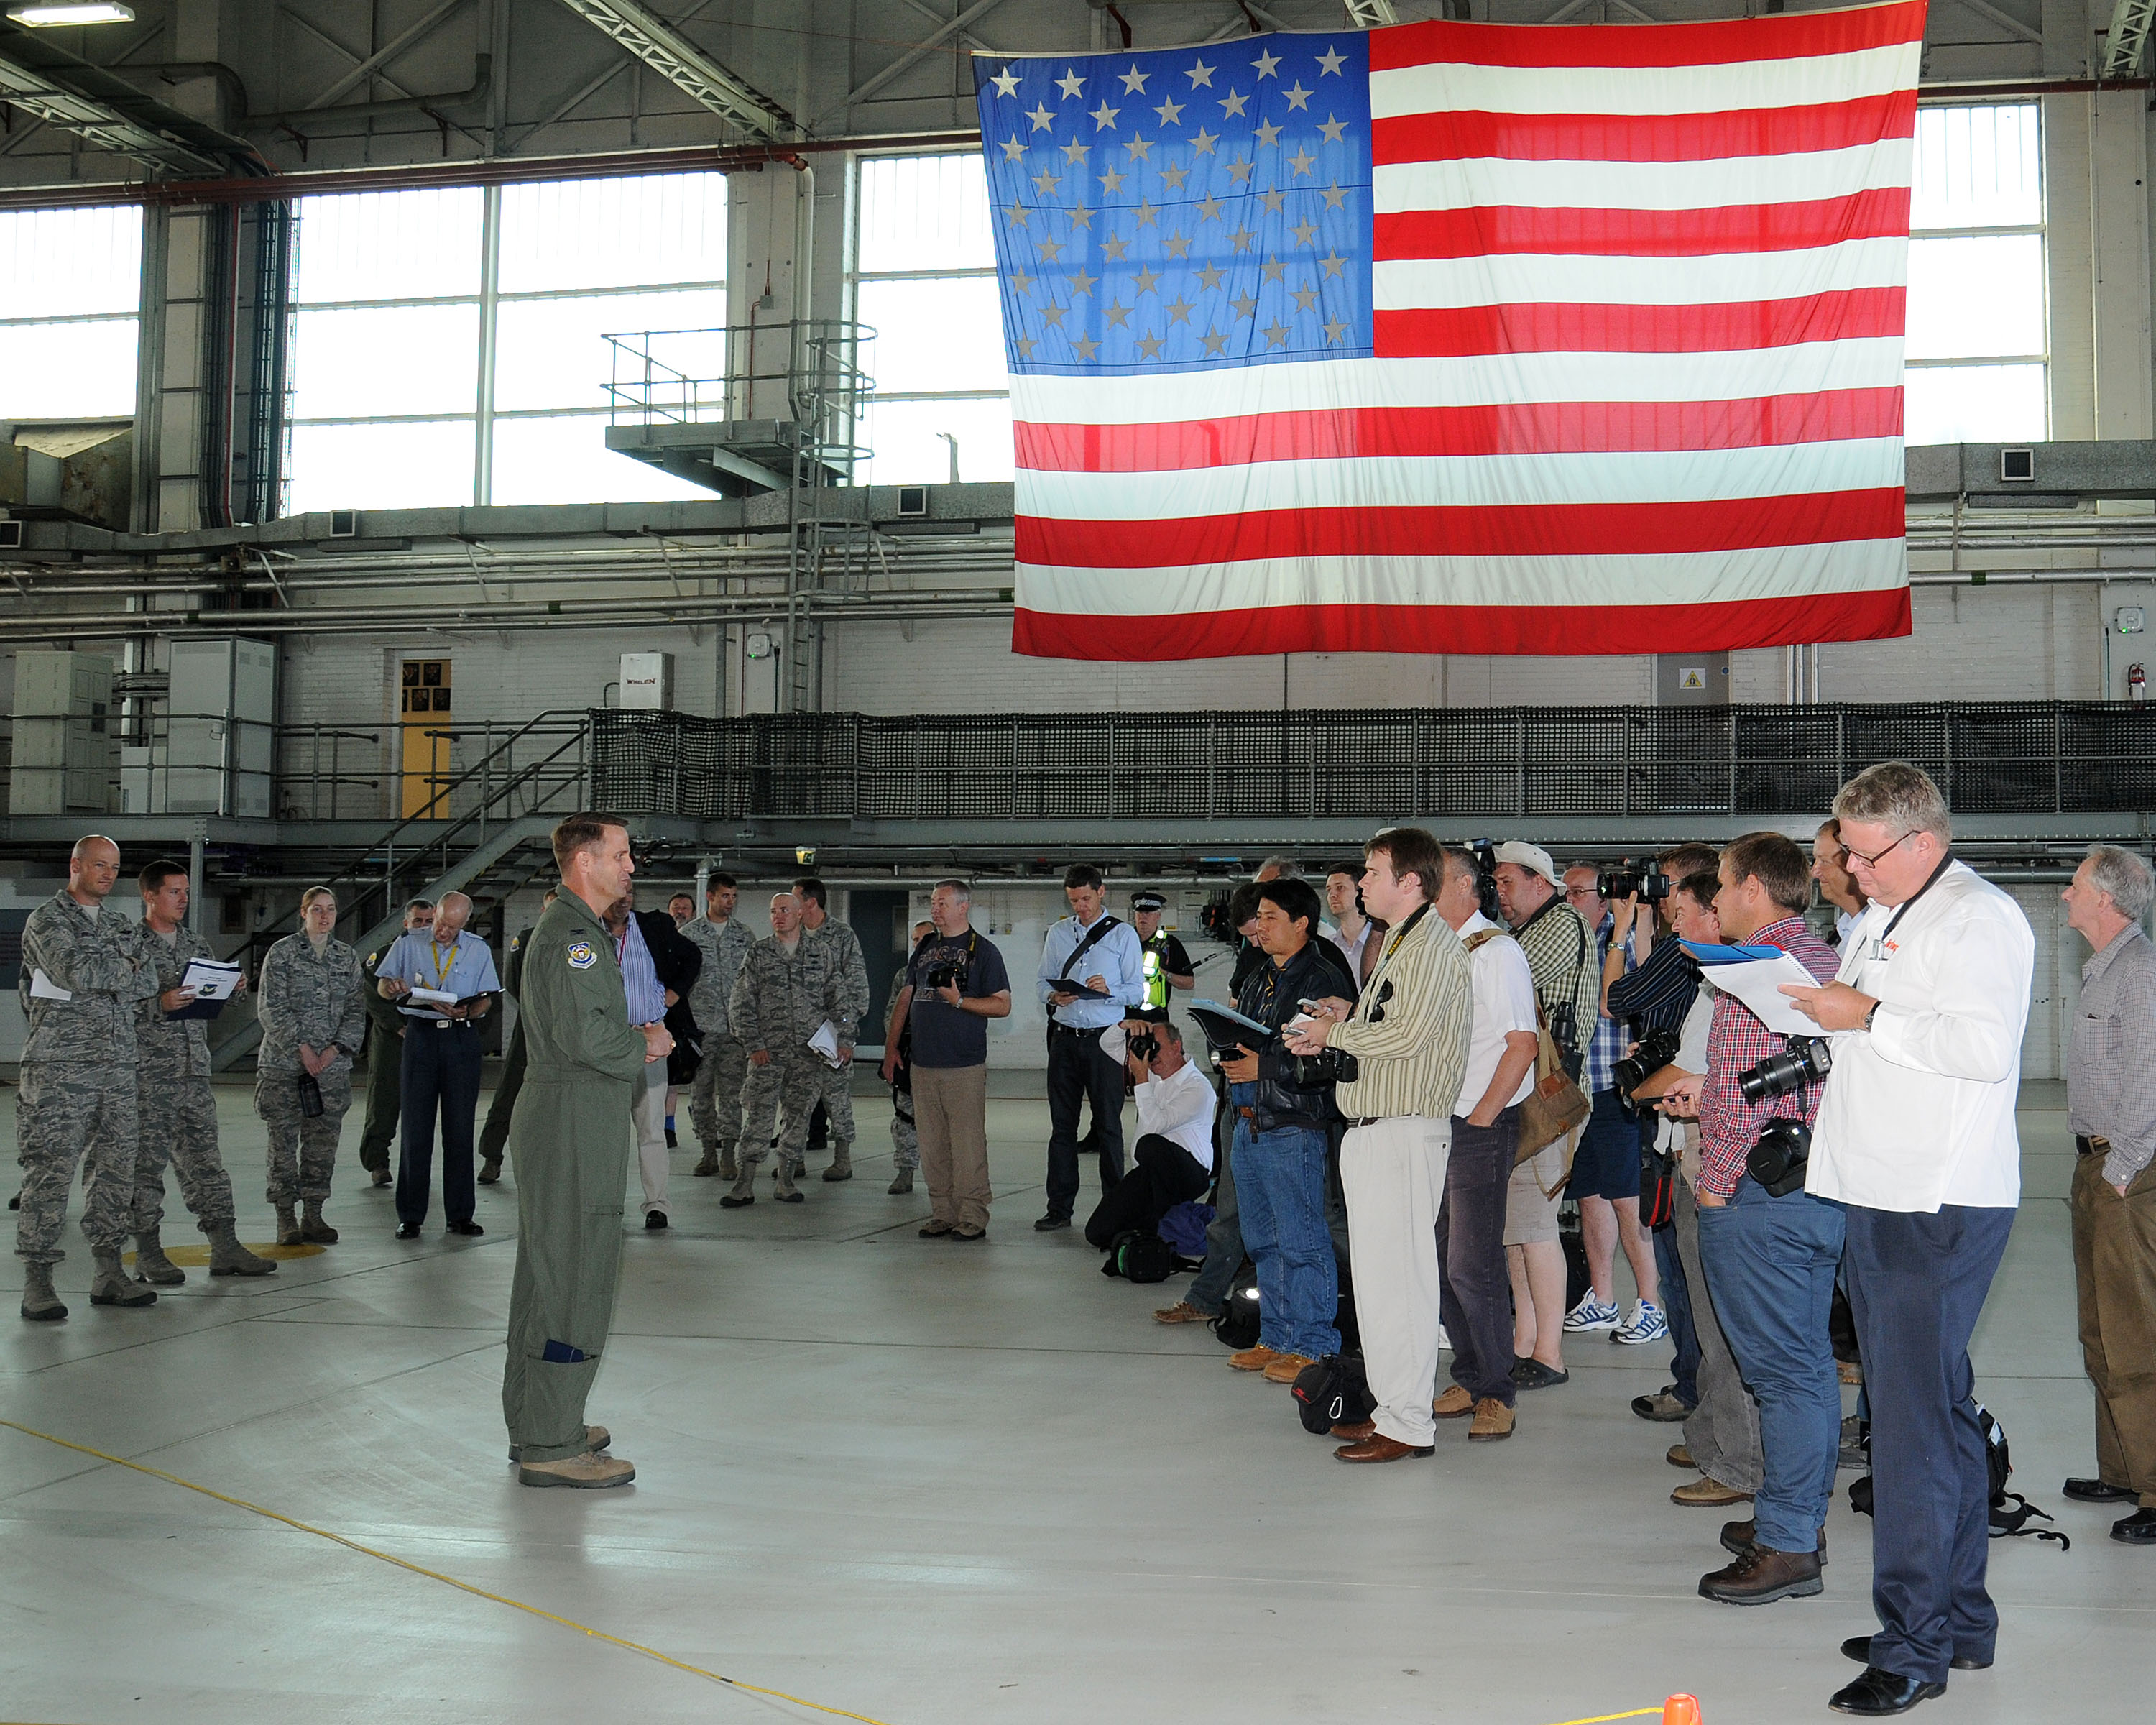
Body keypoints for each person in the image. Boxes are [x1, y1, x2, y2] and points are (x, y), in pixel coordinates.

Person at [1784, 762, 2035, 1716]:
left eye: (1861, 850)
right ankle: (1960, 1620)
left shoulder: (1978, 920)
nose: (1848, 865)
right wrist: (1817, 1014)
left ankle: (1914, 1644)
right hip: (1878, 1189)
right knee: (1939, 1408)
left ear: (1920, 842)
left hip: (1935, 1201)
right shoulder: (1885, 917)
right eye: (1846, 849)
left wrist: (1869, 1013)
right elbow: (1871, 1028)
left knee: (1913, 1431)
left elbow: (1982, 1047)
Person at [1662, 835, 1843, 1604]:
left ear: (1750, 892)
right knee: (1804, 1366)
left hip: (1760, 1198)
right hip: (1822, 1188)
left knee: (1781, 1373)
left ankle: (1789, 1543)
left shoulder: (1750, 973)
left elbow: (1740, 1100)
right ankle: (1796, 1514)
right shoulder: (1832, 961)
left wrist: (1716, 1183)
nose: (1716, 895)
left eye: (1724, 883)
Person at [1287, 828, 1473, 1461]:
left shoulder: (1431, 947)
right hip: (1376, 1132)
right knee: (1378, 1287)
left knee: (1402, 1288)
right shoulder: (1403, 942)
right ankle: (1393, 1409)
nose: (1360, 883)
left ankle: (1409, 1423)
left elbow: (1410, 1036)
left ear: (1410, 882)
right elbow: (1389, 1025)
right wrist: (1345, 1022)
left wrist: (1335, 1032)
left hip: (1401, 1130)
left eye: (1371, 872)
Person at [501, 812, 671, 1489]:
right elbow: (586, 1039)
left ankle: (540, 1418)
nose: (632, 867)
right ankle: (552, 1441)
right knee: (574, 1276)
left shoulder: (578, 931)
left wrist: (625, 1031)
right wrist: (647, 1044)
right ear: (584, 863)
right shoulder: (572, 936)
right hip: (574, 1117)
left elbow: (584, 1023)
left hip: (571, 1111)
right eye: (622, 855)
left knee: (548, 1275)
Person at [15, 834, 160, 1321]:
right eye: (99, 865)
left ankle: (108, 1271)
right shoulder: (47, 920)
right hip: (61, 1070)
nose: (108, 874)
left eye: (114, 867)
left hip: (118, 1067)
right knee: (50, 1173)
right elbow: (74, 969)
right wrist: (122, 968)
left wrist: (117, 969)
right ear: (75, 865)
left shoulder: (120, 923)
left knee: (116, 1174)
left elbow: (148, 979)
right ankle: (38, 1280)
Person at [2058, 845, 2156, 1546]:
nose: (2065, 895)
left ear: (2104, 898)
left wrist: (2124, 1166)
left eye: (2073, 885)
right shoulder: (2107, 968)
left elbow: (2152, 1078)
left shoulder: (2142, 971)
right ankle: (2123, 1468)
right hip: (2095, 1168)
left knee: (2136, 1335)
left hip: (2128, 1173)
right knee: (2100, 1329)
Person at [1217, 876, 1350, 1384]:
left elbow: (1327, 1058)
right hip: (1249, 1122)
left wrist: (1264, 1070)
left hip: (1293, 1124)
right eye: (1261, 917)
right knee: (1263, 1241)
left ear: (1302, 923)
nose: (1262, 926)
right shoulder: (1257, 977)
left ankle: (1314, 1344)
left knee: (1302, 1239)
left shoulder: (1321, 977)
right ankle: (1276, 1336)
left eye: (1273, 916)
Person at [1607, 845, 1722, 1424]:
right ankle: (1694, 1390)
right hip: (1673, 1141)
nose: (1670, 911)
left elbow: (1618, 999)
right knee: (1680, 1277)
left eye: (1678, 900)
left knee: (1698, 1286)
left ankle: (1704, 1401)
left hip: (1699, 1145)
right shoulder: (1703, 974)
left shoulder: (1720, 972)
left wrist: (1643, 1087)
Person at [1430, 844, 1539, 1441]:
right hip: (1435, 1123)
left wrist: (1480, 1120)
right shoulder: (1434, 951)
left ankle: (1496, 1389)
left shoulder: (1496, 952)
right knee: (1443, 1260)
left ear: (1466, 887)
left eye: (1434, 880)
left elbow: (1520, 1044)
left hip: (1476, 1124)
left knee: (1473, 1264)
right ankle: (1470, 1374)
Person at [125, 860, 275, 1285]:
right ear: (149, 895)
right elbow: (112, 1008)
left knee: (207, 1164)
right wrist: (159, 1004)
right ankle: (148, 1253)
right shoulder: (129, 947)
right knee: (146, 1168)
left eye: (186, 892)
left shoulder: (196, 942)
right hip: (149, 1075)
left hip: (193, 1073)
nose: (183, 899)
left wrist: (233, 989)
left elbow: (212, 1000)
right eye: (174, 892)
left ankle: (225, 1246)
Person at [1492, 840, 1595, 1386]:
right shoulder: (1525, 933)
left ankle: (1549, 1353)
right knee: (1517, 1229)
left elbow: (1494, 986)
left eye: (1508, 882)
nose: (1500, 893)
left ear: (1540, 881)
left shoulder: (1560, 924)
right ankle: (1526, 1341)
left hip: (1548, 1100)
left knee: (1534, 1228)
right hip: (1530, 1096)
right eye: (1497, 883)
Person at [1559, 863, 1666, 1346]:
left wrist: (1634, 919)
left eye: (1579, 892)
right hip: (1582, 1088)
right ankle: (1602, 1299)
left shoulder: (1623, 937)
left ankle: (1650, 1303)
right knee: (1591, 1197)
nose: (1569, 900)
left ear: (1605, 897)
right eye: (1566, 892)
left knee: (1627, 1200)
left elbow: (1633, 996)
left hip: (1620, 1089)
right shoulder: (1571, 941)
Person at [882, 881, 1012, 1240]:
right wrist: (891, 1049)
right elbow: (905, 999)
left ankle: (972, 1215)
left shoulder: (983, 952)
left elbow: (1002, 1005)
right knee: (932, 1143)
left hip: (963, 1065)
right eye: (933, 903)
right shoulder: (925, 947)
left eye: (942, 903)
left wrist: (959, 1001)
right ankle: (943, 1211)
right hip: (923, 1063)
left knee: (967, 1144)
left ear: (963, 907)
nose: (935, 909)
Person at [377, 889, 500, 1240]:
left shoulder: (477, 948)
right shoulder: (409, 942)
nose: (442, 931)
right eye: (439, 923)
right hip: (421, 1037)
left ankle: (460, 1215)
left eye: (451, 926)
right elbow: (384, 987)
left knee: (459, 1130)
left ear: (465, 923)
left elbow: (487, 999)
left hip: (460, 1039)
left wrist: (470, 1010)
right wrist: (392, 986)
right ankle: (411, 1215)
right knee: (416, 1129)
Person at [1034, 864, 1147, 1232]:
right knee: (1062, 1128)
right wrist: (1053, 994)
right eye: (1073, 901)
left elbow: (1138, 991)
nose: (1080, 907)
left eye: (1085, 898)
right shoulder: (1058, 933)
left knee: (1109, 1127)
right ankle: (1059, 1208)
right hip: (1065, 1039)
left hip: (1105, 1040)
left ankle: (1115, 1209)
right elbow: (1040, 981)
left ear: (1101, 892)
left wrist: (1109, 991)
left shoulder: (1123, 935)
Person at [255, 886, 367, 1248]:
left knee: (322, 1145)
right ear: (303, 913)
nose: (325, 916)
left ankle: (314, 1214)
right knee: (283, 1145)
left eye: (331, 909)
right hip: (284, 1066)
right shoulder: (283, 953)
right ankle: (286, 1217)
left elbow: (355, 1010)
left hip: (330, 1070)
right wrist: (302, 1048)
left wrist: (333, 1051)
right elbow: (271, 1007)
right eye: (317, 909)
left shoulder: (346, 957)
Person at [726, 892, 853, 1207]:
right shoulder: (758, 953)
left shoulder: (821, 953)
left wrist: (845, 1038)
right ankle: (744, 1183)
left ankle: (786, 1180)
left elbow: (839, 999)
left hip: (809, 1054)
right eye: (773, 911)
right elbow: (741, 1003)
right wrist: (753, 1043)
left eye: (784, 910)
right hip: (768, 1053)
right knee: (758, 1117)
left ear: (799, 914)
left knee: (799, 1117)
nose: (778, 916)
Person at [607, 887, 701, 1230]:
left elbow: (692, 957)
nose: (625, 899)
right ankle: (609, 1204)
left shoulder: (654, 927)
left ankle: (657, 1205)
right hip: (609, 1044)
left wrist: (673, 995)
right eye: (618, 893)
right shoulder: (589, 932)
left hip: (652, 1039)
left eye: (630, 893)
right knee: (609, 1133)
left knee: (652, 1129)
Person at [1084, 1018, 1215, 1247]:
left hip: (1190, 1173)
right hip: (1150, 1172)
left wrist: (1141, 1078)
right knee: (1097, 1232)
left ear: (1177, 1046)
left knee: (1150, 1144)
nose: (1152, 1055)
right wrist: (1125, 1026)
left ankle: (1160, 1223)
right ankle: (1154, 1225)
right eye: (1148, 1047)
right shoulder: (1153, 1074)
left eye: (1157, 1047)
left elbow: (1155, 1126)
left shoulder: (1198, 1087)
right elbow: (1107, 1044)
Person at [796, 878, 872, 1182]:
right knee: (796, 1100)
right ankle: (793, 1158)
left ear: (810, 903)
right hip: (798, 1033)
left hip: (831, 1032)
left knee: (836, 1098)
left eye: (795, 898)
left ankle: (842, 1159)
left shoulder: (841, 935)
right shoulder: (792, 933)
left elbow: (856, 986)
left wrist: (847, 1036)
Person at [478, 890, 554, 1185]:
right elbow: (512, 983)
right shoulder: (525, 938)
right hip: (530, 1026)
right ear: (542, 909)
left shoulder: (575, 940)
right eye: (548, 909)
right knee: (510, 1092)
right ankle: (491, 1156)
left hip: (566, 1030)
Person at [359, 899, 433, 1187]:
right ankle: (377, 1162)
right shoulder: (384, 956)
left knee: (423, 1106)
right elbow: (373, 997)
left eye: (428, 922)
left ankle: (416, 1164)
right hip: (392, 1041)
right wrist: (399, 1026)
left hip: (428, 1037)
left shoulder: (441, 954)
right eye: (418, 922)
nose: (423, 927)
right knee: (384, 1101)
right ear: (406, 924)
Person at [684, 874, 753, 1182]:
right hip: (701, 1029)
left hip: (734, 1031)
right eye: (725, 896)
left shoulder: (744, 936)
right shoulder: (689, 934)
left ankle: (728, 1154)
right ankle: (708, 1151)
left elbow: (753, 981)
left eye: (734, 896)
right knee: (700, 1095)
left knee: (731, 1095)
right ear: (710, 896)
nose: (731, 902)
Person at [882, 919, 935, 1195]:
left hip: (939, 1056)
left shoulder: (948, 974)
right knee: (904, 1115)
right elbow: (891, 1015)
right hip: (908, 1053)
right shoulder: (904, 974)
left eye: (924, 939)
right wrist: (893, 1047)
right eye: (914, 940)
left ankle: (942, 1178)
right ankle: (905, 1171)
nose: (918, 945)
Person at [1130, 891, 1194, 1010]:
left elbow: (1189, 983)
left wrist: (1164, 973)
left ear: (1158, 916)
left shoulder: (1170, 944)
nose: (1142, 918)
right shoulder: (1124, 941)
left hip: (1157, 1018)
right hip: (1125, 1017)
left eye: (1148, 913)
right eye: (1139, 912)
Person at [1813, 820, 1871, 947]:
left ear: (1854, 864)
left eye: (1824, 862)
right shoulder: (1845, 928)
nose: (1814, 873)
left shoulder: (1879, 931)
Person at [1326, 866, 1376, 980]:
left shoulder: (1383, 942)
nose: (1332, 895)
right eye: (1329, 890)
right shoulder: (1327, 946)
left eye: (1340, 888)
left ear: (1361, 892)